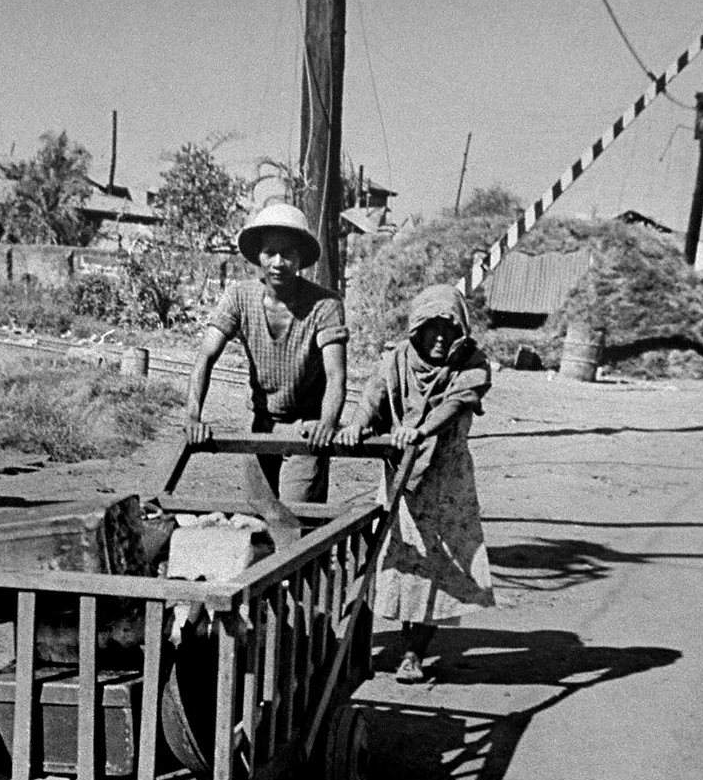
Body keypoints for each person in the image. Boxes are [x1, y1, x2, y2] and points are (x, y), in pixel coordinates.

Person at [340, 284, 496, 683]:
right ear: (417, 330)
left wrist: (420, 429)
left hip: (447, 481)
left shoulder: (473, 364)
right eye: (432, 328)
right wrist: (358, 425)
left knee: (440, 569)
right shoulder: (395, 361)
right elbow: (373, 396)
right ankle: (361, 651)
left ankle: (413, 653)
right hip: (400, 477)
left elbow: (454, 404)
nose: (441, 337)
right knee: (396, 561)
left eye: (449, 329)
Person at [184, 203, 348, 503]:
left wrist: (327, 423)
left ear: (300, 257)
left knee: (297, 529)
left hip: (305, 430)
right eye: (270, 252)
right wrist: (193, 416)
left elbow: (336, 376)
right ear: (258, 255)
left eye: (287, 253)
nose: (278, 262)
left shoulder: (325, 305)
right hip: (260, 425)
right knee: (259, 522)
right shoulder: (239, 297)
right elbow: (206, 357)